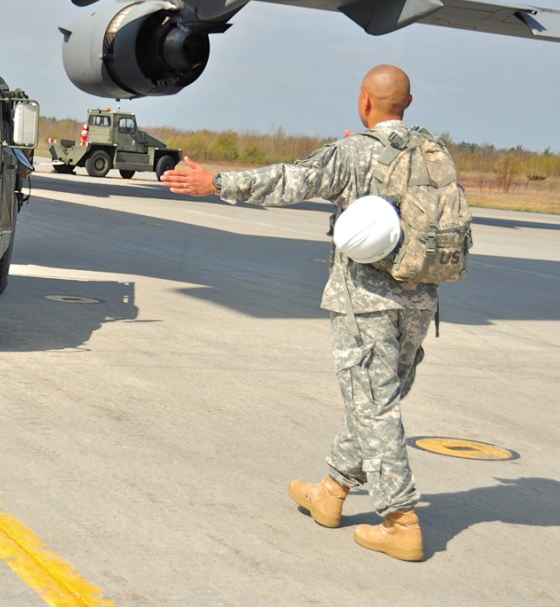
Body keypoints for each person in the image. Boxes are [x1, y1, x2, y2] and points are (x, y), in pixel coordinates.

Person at [160, 64, 438, 563]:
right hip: (420, 300)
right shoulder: (434, 154)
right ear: (409, 104)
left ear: (365, 103)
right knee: (373, 401)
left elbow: (291, 181)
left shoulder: (353, 153)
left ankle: (400, 520)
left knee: (373, 406)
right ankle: (330, 492)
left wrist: (216, 182)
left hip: (366, 304)